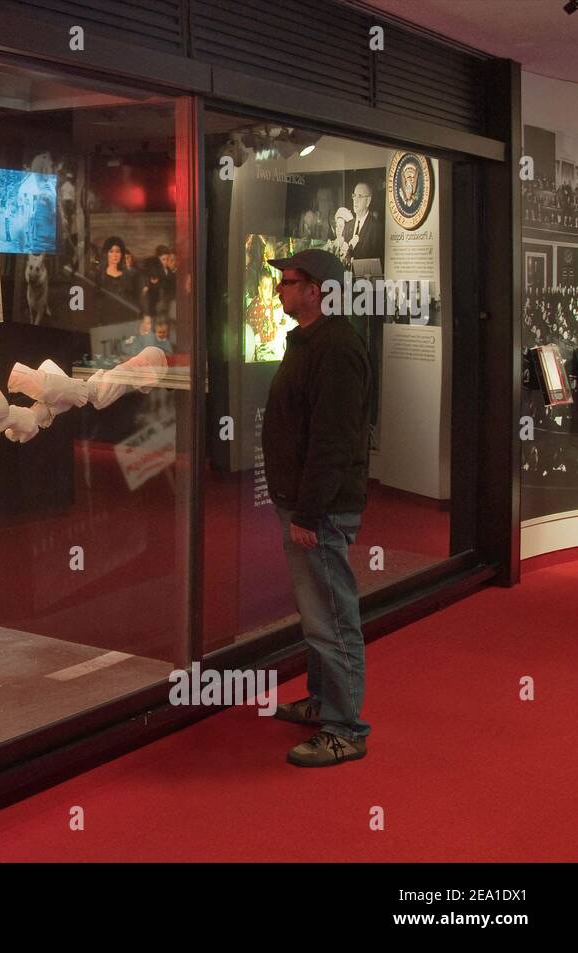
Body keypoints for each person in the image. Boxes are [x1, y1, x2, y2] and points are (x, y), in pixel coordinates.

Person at [262, 248, 372, 767]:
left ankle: (345, 728)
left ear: (319, 290)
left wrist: (308, 512)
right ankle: (325, 703)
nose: (280, 290)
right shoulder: (310, 341)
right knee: (317, 614)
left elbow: (334, 441)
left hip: (319, 510)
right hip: (306, 504)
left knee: (331, 616)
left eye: (289, 282)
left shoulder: (337, 348)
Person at [96, 236, 138, 324]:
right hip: (104, 323)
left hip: (125, 323)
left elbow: (133, 303)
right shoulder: (98, 276)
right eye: (111, 251)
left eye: (118, 252)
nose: (115, 255)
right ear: (106, 253)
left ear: (122, 254)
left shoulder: (129, 276)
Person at [345, 182, 383, 264]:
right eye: (354, 196)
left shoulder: (376, 228)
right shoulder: (347, 226)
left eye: (360, 196)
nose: (355, 200)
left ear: (368, 201)